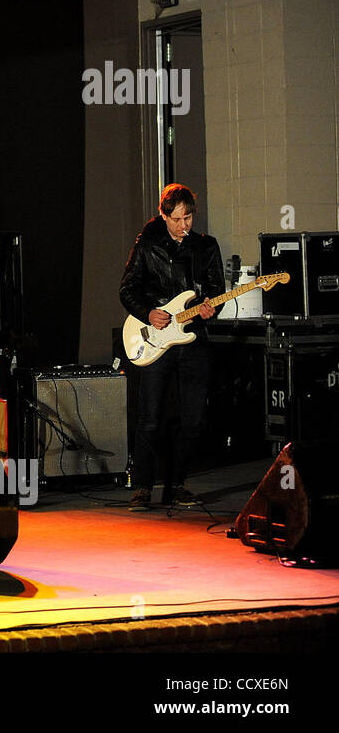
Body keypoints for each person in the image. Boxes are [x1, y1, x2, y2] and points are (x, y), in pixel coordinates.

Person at [119, 183, 224, 510]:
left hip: (193, 339)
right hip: (156, 337)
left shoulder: (206, 247)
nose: (184, 225)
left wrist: (211, 309)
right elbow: (127, 289)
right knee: (150, 416)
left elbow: (216, 290)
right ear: (163, 214)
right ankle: (144, 486)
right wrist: (148, 313)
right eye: (177, 218)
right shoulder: (147, 243)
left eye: (188, 217)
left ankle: (178, 483)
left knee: (193, 418)